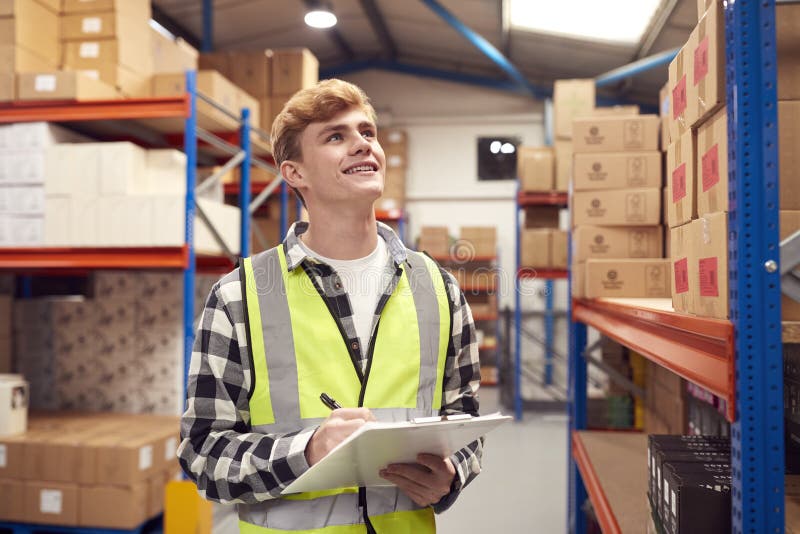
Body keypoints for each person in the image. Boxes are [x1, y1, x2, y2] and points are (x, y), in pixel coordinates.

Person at [178, 78, 483, 533]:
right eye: (336, 136)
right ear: (294, 173)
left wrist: (452, 473)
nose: (362, 144)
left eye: (367, 132)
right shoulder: (239, 296)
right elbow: (202, 454)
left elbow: (465, 419)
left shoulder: (437, 287)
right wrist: (309, 451)